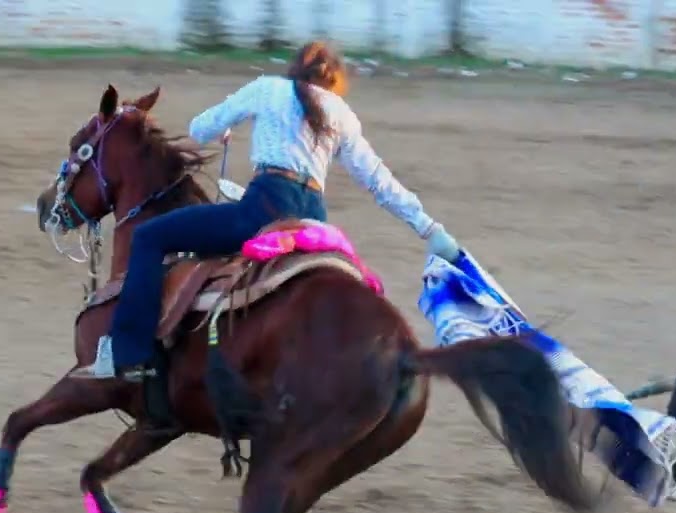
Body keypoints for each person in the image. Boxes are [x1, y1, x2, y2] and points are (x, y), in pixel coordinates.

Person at [72, 40, 461, 381]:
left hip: (264, 208)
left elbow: (200, 126)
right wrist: (430, 229)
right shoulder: (342, 114)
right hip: (312, 221)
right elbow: (379, 181)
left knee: (149, 237)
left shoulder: (267, 90)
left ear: (295, 67)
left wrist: (223, 128)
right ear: (333, 83)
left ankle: (130, 354)